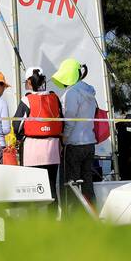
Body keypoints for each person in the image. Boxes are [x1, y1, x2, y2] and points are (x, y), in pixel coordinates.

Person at [12, 68, 63, 206]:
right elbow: (62, 121)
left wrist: (19, 137)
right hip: (52, 149)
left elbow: (16, 125)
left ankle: (34, 222)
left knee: (32, 188)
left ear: (29, 82)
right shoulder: (54, 97)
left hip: (32, 150)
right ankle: (53, 219)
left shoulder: (26, 99)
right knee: (51, 185)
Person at [53, 58, 99, 206]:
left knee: (70, 185)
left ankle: (72, 220)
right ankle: (92, 215)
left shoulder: (71, 93)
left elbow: (69, 120)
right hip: (89, 142)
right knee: (87, 184)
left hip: (73, 144)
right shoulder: (89, 91)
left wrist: (64, 139)